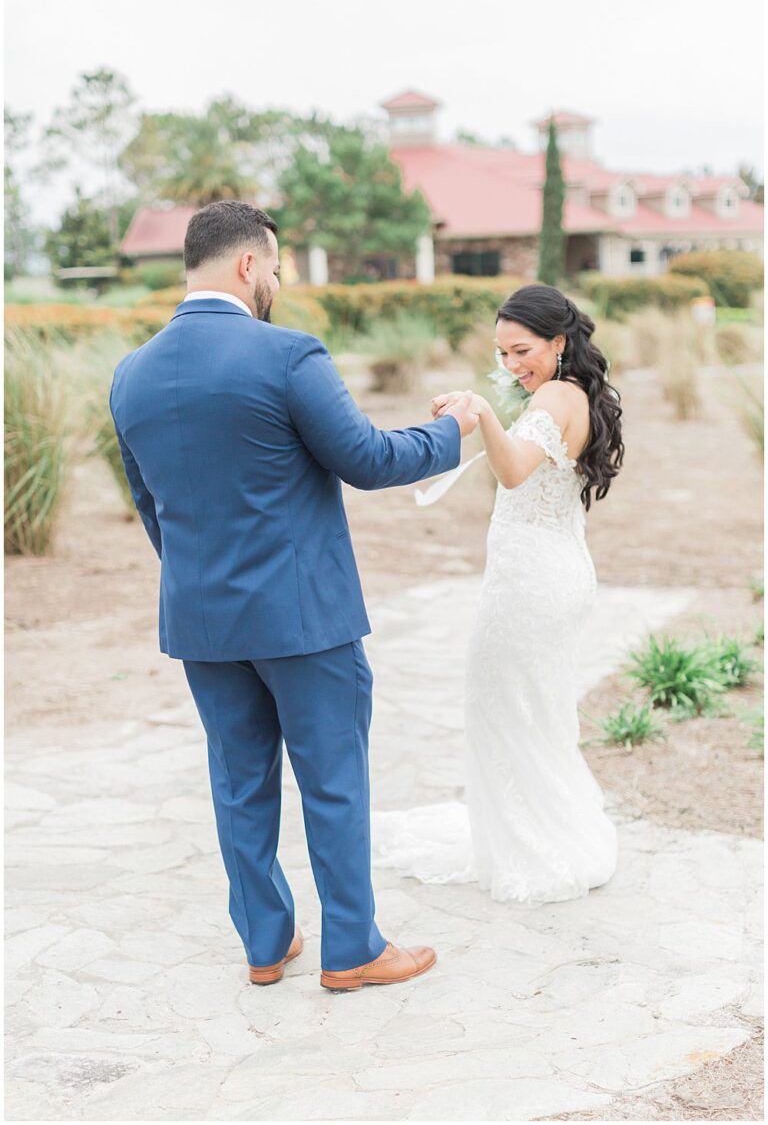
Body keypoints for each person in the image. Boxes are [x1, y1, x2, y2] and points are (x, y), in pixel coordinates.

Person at [109, 200, 479, 991]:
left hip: (201, 620)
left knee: (239, 782)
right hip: (304, 618)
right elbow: (370, 460)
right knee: (333, 777)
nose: (277, 279)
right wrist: (454, 432)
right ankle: (352, 948)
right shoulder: (286, 354)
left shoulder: (130, 373)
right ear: (248, 265)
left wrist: (200, 581)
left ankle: (265, 944)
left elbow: (151, 506)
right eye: (275, 265)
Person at [373, 284, 625, 903]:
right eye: (503, 355)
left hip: (530, 586)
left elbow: (513, 470)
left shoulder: (557, 396)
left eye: (522, 351)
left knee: (502, 708)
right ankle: (551, 830)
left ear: (559, 343)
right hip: (553, 574)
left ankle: (532, 846)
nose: (513, 366)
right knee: (534, 710)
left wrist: (481, 412)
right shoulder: (568, 395)